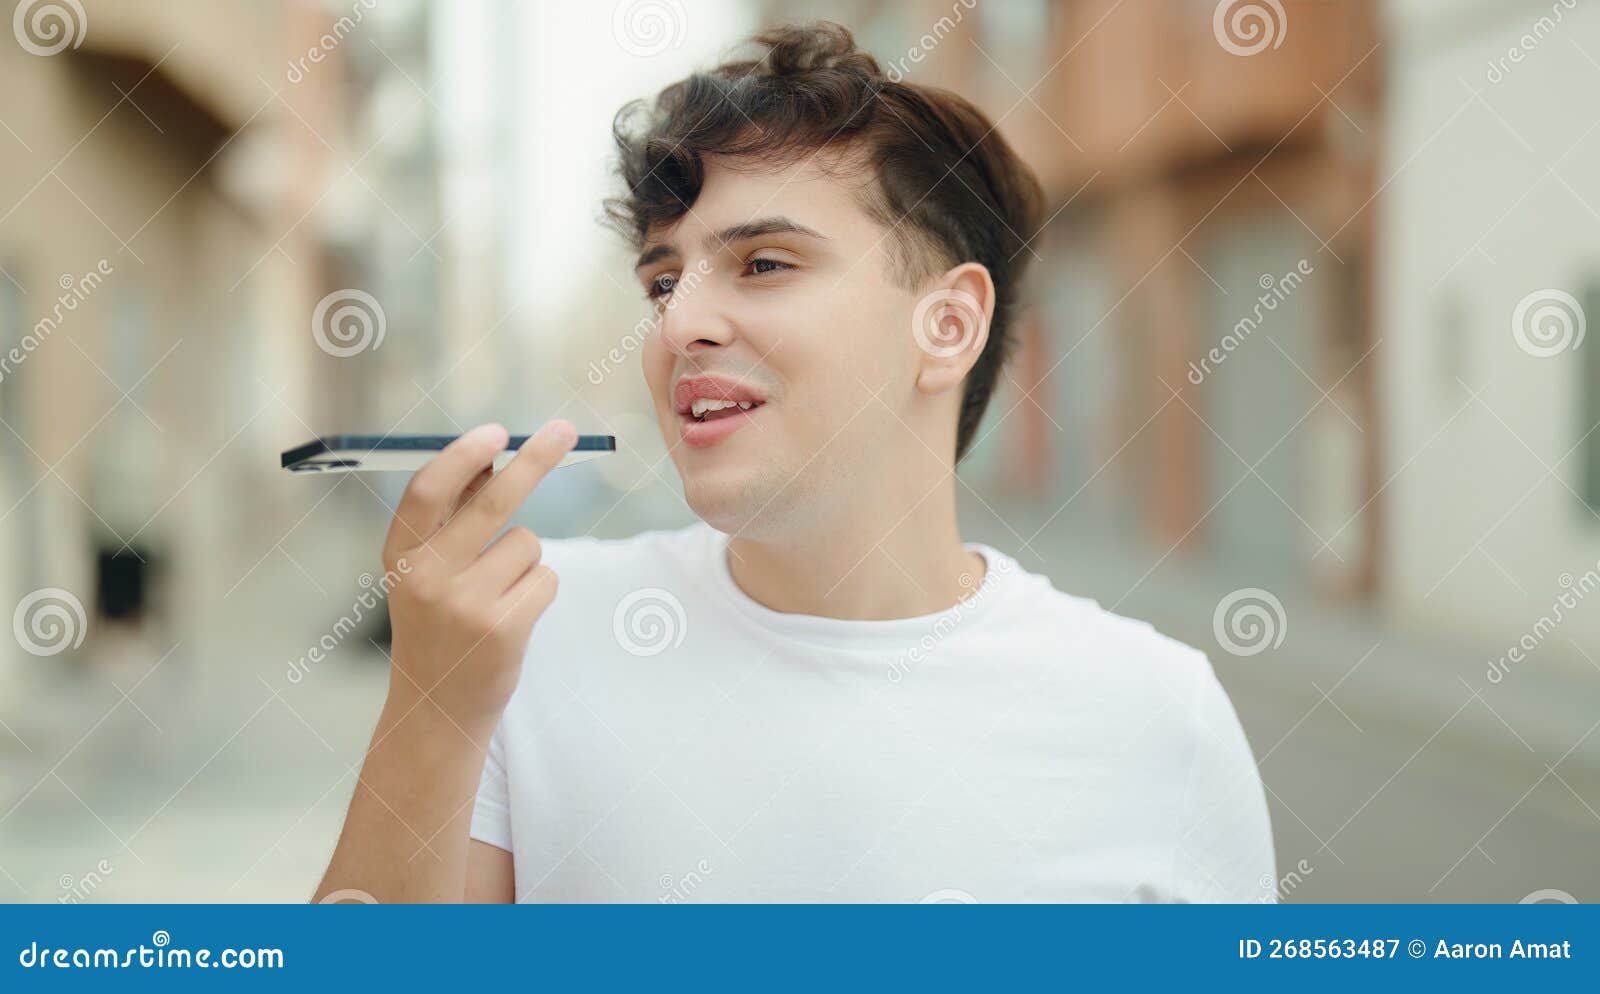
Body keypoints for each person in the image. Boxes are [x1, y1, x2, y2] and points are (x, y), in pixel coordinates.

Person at [314, 21, 1274, 904]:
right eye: (661, 281)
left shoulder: (1157, 716)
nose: (677, 324)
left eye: (763, 263)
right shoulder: (525, 639)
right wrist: (432, 709)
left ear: (947, 326)